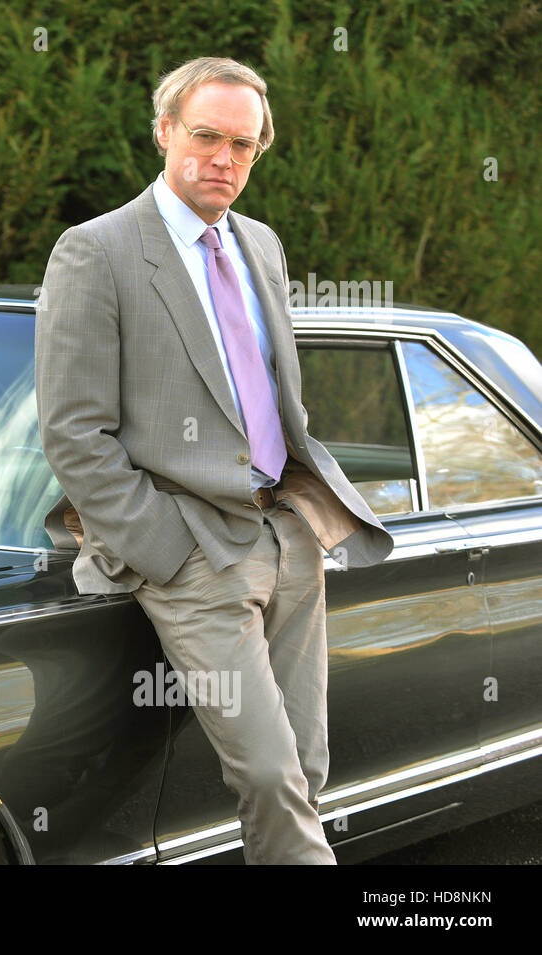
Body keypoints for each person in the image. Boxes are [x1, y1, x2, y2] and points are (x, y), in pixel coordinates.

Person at [35, 56, 393, 864]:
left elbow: (269, 394)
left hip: (288, 534)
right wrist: (169, 552)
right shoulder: (97, 251)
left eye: (244, 144)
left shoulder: (260, 244)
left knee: (304, 764)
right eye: (205, 136)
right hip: (194, 550)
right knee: (268, 771)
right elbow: (72, 431)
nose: (224, 159)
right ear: (164, 132)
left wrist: (303, 515)